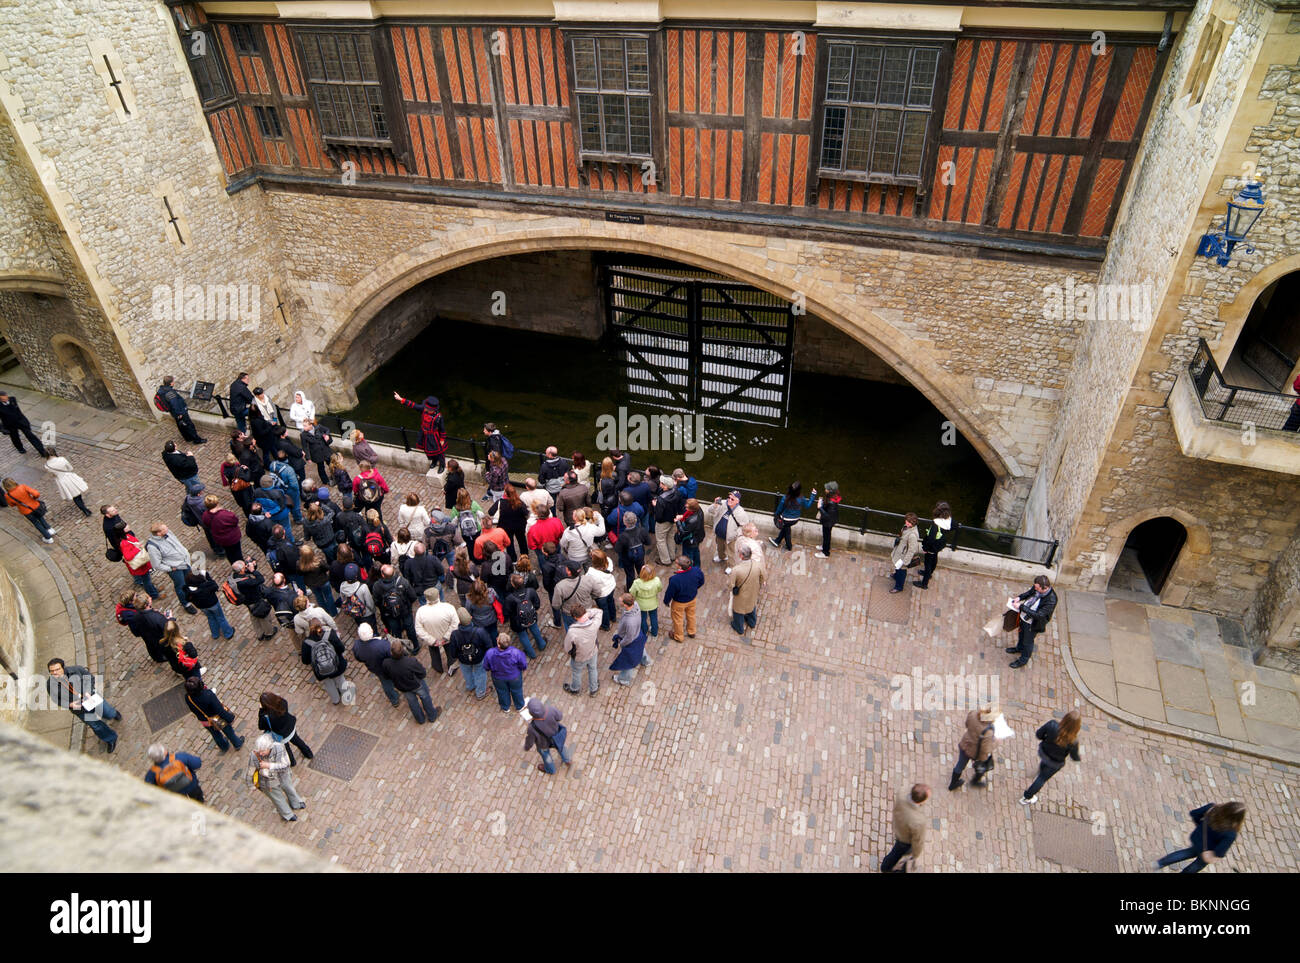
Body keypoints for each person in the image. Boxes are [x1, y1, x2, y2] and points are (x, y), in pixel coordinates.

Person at [46, 658, 121, 752]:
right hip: (79, 709)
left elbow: (90, 678)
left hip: (91, 698)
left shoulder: (77, 669)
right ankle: (110, 739)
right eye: (52, 671)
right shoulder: (50, 684)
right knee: (96, 725)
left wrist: (88, 692)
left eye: (57, 669)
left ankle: (113, 714)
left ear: (63, 667)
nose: (55, 673)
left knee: (108, 713)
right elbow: (56, 699)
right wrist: (69, 704)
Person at [1156, 802, 1246, 873]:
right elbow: (1219, 852)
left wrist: (1200, 826)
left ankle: (1159, 863)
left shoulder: (1212, 808)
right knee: (1196, 866)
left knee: (1185, 853)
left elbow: (1194, 814)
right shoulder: (1231, 834)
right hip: (1206, 852)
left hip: (1197, 840)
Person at [1020, 710, 1082, 804]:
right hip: (1055, 763)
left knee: (1044, 765)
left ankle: (1041, 769)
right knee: (1042, 778)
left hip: (1044, 752)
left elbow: (1038, 734)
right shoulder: (1073, 741)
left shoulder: (1052, 725)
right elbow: (1074, 756)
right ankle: (1027, 797)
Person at [248, 734, 306, 822]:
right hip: (268, 782)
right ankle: (288, 814)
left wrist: (269, 765)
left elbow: (286, 765)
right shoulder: (254, 755)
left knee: (290, 789)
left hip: (283, 776)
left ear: (269, 747)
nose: (260, 753)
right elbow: (250, 770)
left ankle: (296, 803)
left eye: (263, 751)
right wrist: (250, 784)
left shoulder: (279, 748)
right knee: (278, 799)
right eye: (259, 750)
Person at [383, 639, 441, 724]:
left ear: (391, 652)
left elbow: (387, 676)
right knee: (425, 698)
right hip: (417, 685)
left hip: (403, 687)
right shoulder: (410, 662)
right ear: (403, 650)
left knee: (412, 703)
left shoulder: (386, 663)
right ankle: (432, 716)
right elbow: (422, 673)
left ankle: (420, 719)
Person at [146, 522, 199, 613]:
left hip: (184, 562)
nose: (167, 528)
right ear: (159, 533)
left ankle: (192, 595)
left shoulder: (168, 532)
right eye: (164, 528)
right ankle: (186, 604)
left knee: (190, 580)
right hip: (175, 569)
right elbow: (156, 565)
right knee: (181, 586)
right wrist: (170, 568)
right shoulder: (152, 547)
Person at [1007, 575, 1058, 668]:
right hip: (1024, 617)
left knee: (1028, 641)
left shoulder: (1052, 600)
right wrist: (1019, 598)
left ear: (1044, 588)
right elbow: (1029, 593)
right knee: (1021, 634)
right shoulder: (1037, 587)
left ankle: (1023, 660)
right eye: (1035, 586)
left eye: (1037, 588)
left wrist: (1021, 606)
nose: (1035, 589)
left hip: (1032, 624)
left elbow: (1038, 615)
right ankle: (1019, 648)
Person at [183, 675, 245, 752]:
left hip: (205, 720)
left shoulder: (187, 697)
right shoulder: (208, 695)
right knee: (228, 731)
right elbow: (219, 710)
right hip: (217, 718)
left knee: (215, 734)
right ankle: (237, 743)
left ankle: (224, 746)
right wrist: (230, 718)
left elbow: (193, 710)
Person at [880, 784, 929, 872]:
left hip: (898, 825)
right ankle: (886, 868)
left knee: (896, 852)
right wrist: (915, 855)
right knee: (897, 854)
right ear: (921, 801)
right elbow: (918, 840)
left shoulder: (902, 793)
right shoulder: (918, 821)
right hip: (905, 840)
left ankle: (886, 867)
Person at [949, 703, 998, 790]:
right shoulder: (988, 731)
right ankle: (975, 781)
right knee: (981, 766)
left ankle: (953, 784)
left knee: (960, 765)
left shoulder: (973, 714)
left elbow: (967, 724)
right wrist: (995, 742)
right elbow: (985, 749)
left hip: (965, 744)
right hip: (976, 753)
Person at [394, 393, 448, 472]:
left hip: (433, 435)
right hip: (424, 434)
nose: (424, 408)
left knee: (438, 451)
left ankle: (442, 465)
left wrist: (442, 438)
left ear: (432, 410)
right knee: (427, 449)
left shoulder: (438, 417)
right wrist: (401, 399)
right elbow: (413, 405)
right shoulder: (423, 409)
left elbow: (442, 428)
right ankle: (434, 461)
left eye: (426, 408)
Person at [257, 691, 314, 766]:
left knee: (287, 749)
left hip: (281, 736)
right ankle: (308, 754)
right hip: (290, 728)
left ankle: (292, 762)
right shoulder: (282, 703)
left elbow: (261, 726)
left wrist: (261, 711)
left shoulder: (266, 716)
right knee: (298, 741)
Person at [300, 619, 349, 704]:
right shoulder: (330, 634)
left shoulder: (306, 643)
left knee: (329, 684)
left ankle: (335, 700)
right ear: (321, 625)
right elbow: (341, 648)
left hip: (321, 670)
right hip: (337, 665)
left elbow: (305, 661)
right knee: (341, 680)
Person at [230, 559, 280, 640]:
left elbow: (246, 574)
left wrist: (252, 567)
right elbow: (260, 580)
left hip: (247, 602)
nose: (246, 566)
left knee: (254, 617)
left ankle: (259, 634)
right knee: (264, 616)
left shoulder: (234, 576)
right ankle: (269, 633)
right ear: (241, 570)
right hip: (255, 600)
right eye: (244, 566)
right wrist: (253, 570)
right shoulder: (245, 582)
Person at [450, 607, 492, 699]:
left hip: (463, 659)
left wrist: (458, 657)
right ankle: (480, 693)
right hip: (478, 658)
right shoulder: (480, 632)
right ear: (471, 618)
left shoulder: (454, 634)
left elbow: (453, 652)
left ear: (459, 621)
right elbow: (488, 645)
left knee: (467, 673)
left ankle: (470, 686)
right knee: (480, 674)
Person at [913, 501, 957, 590]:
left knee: (928, 563)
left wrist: (925, 548)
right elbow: (955, 526)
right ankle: (929, 573)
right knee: (934, 558)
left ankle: (924, 583)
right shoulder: (949, 520)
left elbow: (930, 538)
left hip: (932, 546)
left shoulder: (936, 524)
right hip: (940, 544)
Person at [610, 592, 652, 685]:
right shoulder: (636, 605)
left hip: (632, 640)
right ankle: (646, 661)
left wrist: (622, 643)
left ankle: (624, 679)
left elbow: (629, 637)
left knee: (628, 661)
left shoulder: (630, 622)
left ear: (625, 604)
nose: (619, 601)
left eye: (620, 601)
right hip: (638, 635)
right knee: (640, 649)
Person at [415, 592, 461, 675]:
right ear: (438, 596)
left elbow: (418, 629)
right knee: (451, 653)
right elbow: (455, 624)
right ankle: (452, 668)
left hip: (432, 640)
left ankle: (437, 667)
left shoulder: (421, 611)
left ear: (426, 598)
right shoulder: (448, 607)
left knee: (434, 653)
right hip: (447, 638)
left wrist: (432, 640)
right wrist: (446, 637)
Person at [502, 572, 545, 659]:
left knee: (523, 636)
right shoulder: (531, 591)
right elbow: (537, 605)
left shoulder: (509, 598)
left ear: (513, 585)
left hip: (517, 622)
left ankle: (531, 653)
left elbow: (506, 613)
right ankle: (542, 645)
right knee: (535, 629)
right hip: (531, 617)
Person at [561, 604, 601, 697]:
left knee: (576, 672)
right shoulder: (595, 623)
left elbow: (567, 647)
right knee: (593, 669)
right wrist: (588, 613)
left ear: (575, 617)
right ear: (585, 612)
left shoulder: (572, 632)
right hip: (593, 652)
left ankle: (575, 689)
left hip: (579, 657)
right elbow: (599, 611)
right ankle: (594, 689)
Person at [184, 569, 236, 640]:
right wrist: (207, 576)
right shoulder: (205, 586)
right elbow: (215, 586)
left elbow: (187, 598)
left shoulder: (188, 589)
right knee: (220, 618)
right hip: (213, 604)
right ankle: (228, 633)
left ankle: (215, 634)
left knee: (210, 618)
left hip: (202, 607)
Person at [524, 698, 572, 774]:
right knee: (562, 747)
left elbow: (530, 740)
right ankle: (567, 760)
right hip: (556, 736)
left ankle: (551, 769)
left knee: (546, 756)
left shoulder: (532, 727)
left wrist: (526, 747)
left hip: (543, 744)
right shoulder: (551, 709)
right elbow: (560, 717)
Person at [483, 633, 528, 713]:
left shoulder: (490, 653)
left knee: (502, 691)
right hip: (514, 677)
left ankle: (505, 707)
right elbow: (523, 664)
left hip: (498, 677)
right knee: (517, 690)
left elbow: (486, 666)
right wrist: (522, 669)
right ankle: (519, 706)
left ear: (499, 644)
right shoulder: (515, 652)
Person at [664, 556, 704, 643]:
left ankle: (679, 636)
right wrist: (694, 588)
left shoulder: (675, 579)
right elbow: (702, 581)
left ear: (680, 566)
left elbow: (669, 593)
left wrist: (666, 601)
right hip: (692, 599)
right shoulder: (697, 571)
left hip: (679, 602)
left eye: (676, 563)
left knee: (678, 619)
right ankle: (692, 632)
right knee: (691, 615)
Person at [2, 477, 55, 543]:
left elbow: (12, 504)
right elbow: (36, 494)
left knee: (36, 523)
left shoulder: (7, 496)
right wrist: (33, 498)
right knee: (40, 517)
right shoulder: (22, 487)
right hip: (34, 506)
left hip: (26, 511)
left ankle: (48, 538)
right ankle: (49, 529)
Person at [43, 448, 92, 517]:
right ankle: (84, 508)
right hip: (69, 477)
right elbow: (70, 468)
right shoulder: (62, 459)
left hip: (62, 481)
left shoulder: (47, 466)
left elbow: (53, 475)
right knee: (77, 493)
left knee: (75, 496)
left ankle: (84, 509)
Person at [155, 375, 205, 443]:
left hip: (173, 412)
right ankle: (197, 440)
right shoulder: (170, 392)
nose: (174, 382)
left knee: (181, 425)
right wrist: (180, 413)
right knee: (189, 425)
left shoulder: (162, 390)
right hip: (180, 412)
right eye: (173, 381)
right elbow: (174, 404)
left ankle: (188, 438)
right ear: (171, 383)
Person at [728, 544, 764, 635]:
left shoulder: (736, 570)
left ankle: (739, 627)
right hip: (753, 591)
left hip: (741, 594)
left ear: (741, 556)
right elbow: (763, 577)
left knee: (738, 610)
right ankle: (752, 623)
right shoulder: (758, 565)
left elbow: (730, 584)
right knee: (752, 606)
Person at [117, 523, 160, 598]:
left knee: (147, 579)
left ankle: (154, 590)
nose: (128, 526)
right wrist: (136, 548)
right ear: (123, 530)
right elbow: (128, 557)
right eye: (126, 526)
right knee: (146, 581)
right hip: (140, 565)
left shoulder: (128, 536)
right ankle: (153, 595)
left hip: (142, 562)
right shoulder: (124, 543)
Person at [0, 390, 48, 456]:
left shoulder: (12, 399)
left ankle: (42, 451)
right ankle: (20, 448)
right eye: (4, 397)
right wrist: (2, 428)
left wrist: (25, 421)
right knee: (15, 437)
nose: (6, 398)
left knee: (31, 436)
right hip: (10, 425)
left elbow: (18, 411)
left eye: (6, 396)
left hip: (21, 422)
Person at [770, 481, 815, 551]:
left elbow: (779, 509)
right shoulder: (801, 498)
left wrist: (776, 515)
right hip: (795, 519)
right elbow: (808, 506)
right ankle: (777, 541)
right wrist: (813, 495)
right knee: (785, 529)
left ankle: (789, 546)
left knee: (787, 533)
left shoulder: (785, 498)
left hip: (786, 520)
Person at [710, 491, 749, 569]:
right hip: (719, 534)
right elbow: (710, 511)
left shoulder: (741, 513)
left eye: (732, 499)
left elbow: (744, 526)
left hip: (731, 538)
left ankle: (731, 566)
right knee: (719, 548)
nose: (729, 500)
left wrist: (735, 534)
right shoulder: (722, 503)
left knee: (731, 553)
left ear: (737, 501)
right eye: (729, 497)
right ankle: (722, 557)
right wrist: (715, 505)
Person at [584, 546, 618, 630]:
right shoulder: (609, 561)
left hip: (601, 593)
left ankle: (606, 625)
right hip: (611, 586)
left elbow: (587, 581)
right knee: (611, 601)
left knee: (603, 609)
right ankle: (613, 617)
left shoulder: (592, 573)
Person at [650, 475, 682, 565]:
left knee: (661, 540)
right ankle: (672, 556)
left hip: (663, 522)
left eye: (662, 483)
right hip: (672, 519)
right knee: (670, 537)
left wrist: (655, 506)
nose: (660, 484)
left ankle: (665, 560)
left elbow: (659, 515)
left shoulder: (661, 499)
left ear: (665, 486)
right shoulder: (677, 492)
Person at [889, 513, 921, 593]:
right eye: (907, 521)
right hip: (899, 552)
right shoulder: (906, 527)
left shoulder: (912, 535)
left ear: (913, 524)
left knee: (901, 571)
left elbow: (911, 550)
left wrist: (905, 562)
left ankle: (899, 587)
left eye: (909, 522)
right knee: (897, 568)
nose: (907, 523)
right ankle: (896, 576)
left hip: (903, 557)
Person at [673, 497, 705, 570]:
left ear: (692, 509)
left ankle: (687, 570)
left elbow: (683, 532)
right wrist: (682, 517)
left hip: (690, 541)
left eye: (687, 506)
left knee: (687, 556)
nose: (685, 506)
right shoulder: (699, 510)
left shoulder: (692, 521)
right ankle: (697, 567)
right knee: (696, 552)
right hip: (698, 537)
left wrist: (678, 521)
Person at [631, 564, 662, 640]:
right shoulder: (656, 580)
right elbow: (660, 589)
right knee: (653, 617)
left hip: (641, 604)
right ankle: (654, 632)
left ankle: (644, 631)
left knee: (642, 618)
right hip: (653, 603)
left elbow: (632, 593)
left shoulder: (636, 582)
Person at [248, 387, 280, 455]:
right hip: (267, 423)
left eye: (262, 393)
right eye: (261, 394)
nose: (263, 395)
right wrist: (269, 422)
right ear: (257, 396)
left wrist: (274, 419)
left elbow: (273, 407)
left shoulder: (267, 397)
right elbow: (260, 415)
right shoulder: (254, 403)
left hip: (273, 420)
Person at [814, 481, 841, 559]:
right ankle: (824, 546)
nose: (825, 489)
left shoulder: (832, 502)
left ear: (830, 491)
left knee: (827, 536)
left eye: (827, 489)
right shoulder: (832, 498)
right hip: (829, 521)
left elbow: (827, 515)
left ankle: (825, 553)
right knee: (826, 535)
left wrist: (820, 507)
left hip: (828, 522)